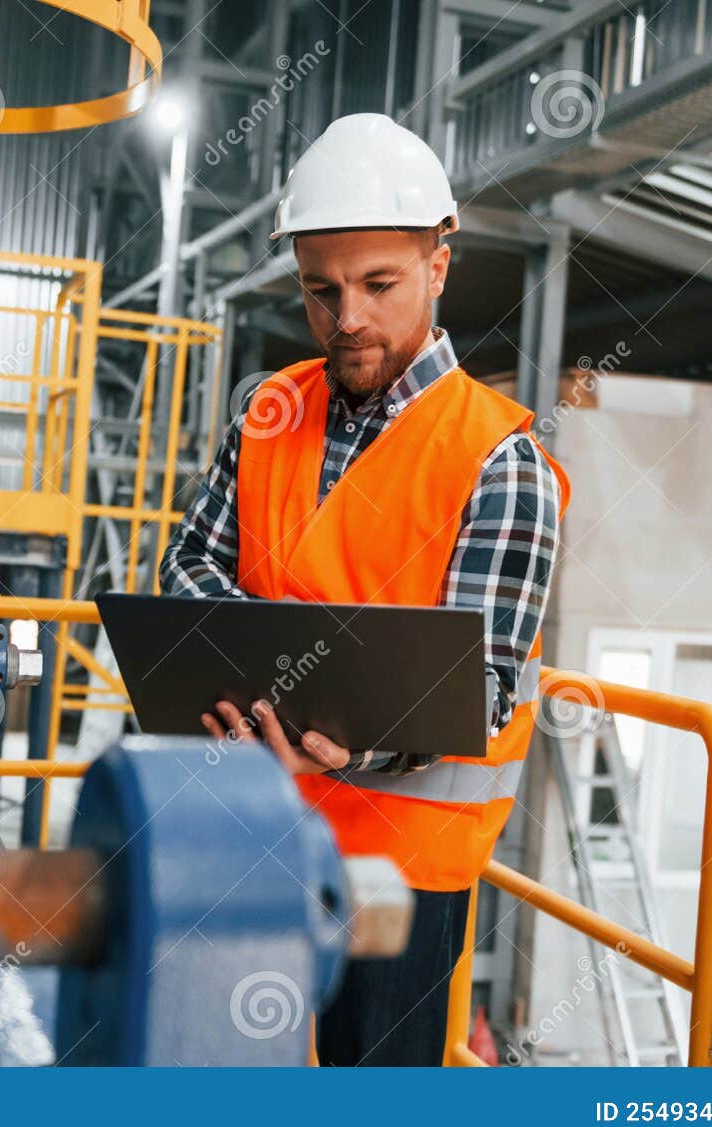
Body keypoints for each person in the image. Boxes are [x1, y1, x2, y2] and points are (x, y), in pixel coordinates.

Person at [159, 113, 571, 1066]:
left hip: (402, 871)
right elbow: (190, 567)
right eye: (320, 289)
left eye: (378, 285)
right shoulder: (271, 408)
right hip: (251, 824)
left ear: (439, 262)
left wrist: (329, 732)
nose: (347, 317)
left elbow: (478, 685)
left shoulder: (500, 460)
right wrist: (289, 691)